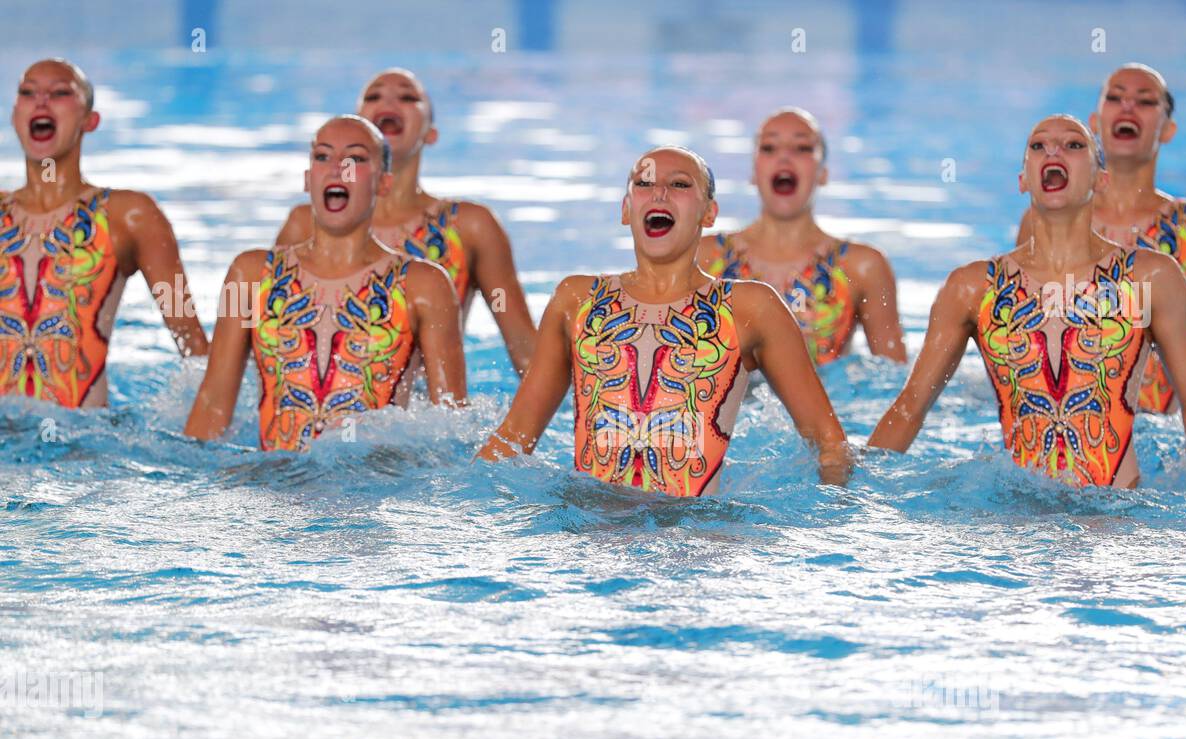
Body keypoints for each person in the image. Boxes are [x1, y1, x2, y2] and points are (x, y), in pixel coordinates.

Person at [477, 146, 852, 496]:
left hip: (694, 538)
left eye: (679, 184)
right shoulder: (576, 300)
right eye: (644, 184)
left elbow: (828, 443)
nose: (659, 194)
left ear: (709, 213)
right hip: (591, 531)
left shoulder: (750, 307)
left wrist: (833, 524)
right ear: (626, 210)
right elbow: (512, 438)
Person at [871, 115, 1186, 488]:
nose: (1053, 150)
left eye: (1074, 145)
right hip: (1014, 523)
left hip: (1119, 523)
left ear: (1101, 179)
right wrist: (860, 496)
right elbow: (911, 405)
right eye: (1038, 146)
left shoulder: (1146, 278)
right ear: (1023, 179)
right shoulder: (973, 288)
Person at [185, 115, 465, 451]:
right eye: (323, 156)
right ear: (308, 179)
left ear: (384, 183)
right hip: (270, 489)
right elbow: (213, 404)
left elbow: (451, 427)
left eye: (356, 159)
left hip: (374, 493)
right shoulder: (248, 274)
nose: (337, 169)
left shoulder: (425, 284)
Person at [1017, 64, 1186, 411]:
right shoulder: (1043, 219)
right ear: (1095, 121)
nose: (1128, 107)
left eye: (1145, 101)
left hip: (1160, 429)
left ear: (1167, 129)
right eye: (1115, 97)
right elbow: (1026, 341)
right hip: (1072, 430)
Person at [275, 69, 535, 376]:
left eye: (408, 97)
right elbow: (259, 340)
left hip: (423, 410)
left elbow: (526, 352)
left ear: (431, 133)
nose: (388, 101)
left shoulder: (470, 226)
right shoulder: (304, 223)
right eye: (373, 97)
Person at [0, 58, 208, 407]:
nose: (41, 101)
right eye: (28, 92)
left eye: (60, 93)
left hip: (81, 448)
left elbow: (194, 350)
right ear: (15, 117)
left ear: (90, 120)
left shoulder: (130, 216)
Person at [699, 107, 905, 366]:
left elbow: (895, 379)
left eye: (802, 148)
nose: (784, 157)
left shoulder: (863, 266)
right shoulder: (702, 258)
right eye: (770, 148)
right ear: (753, 171)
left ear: (823, 174)